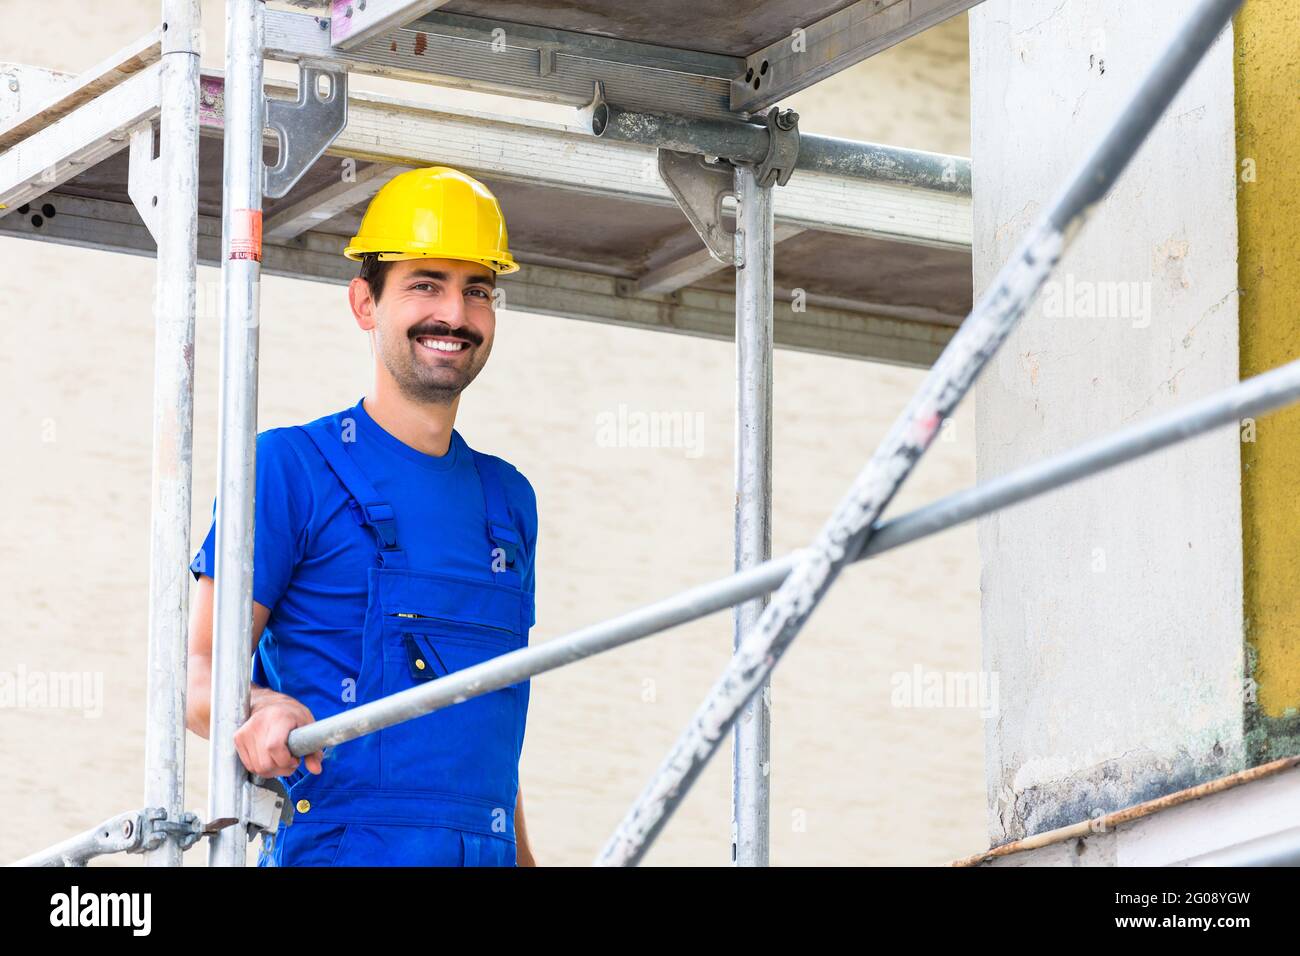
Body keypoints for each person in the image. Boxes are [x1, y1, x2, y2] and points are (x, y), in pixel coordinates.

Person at [185, 166, 538, 866]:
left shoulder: (509, 501)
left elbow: (485, 737)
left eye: (478, 291)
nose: (456, 315)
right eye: (425, 284)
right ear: (364, 303)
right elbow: (195, 675)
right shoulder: (290, 469)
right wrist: (259, 706)